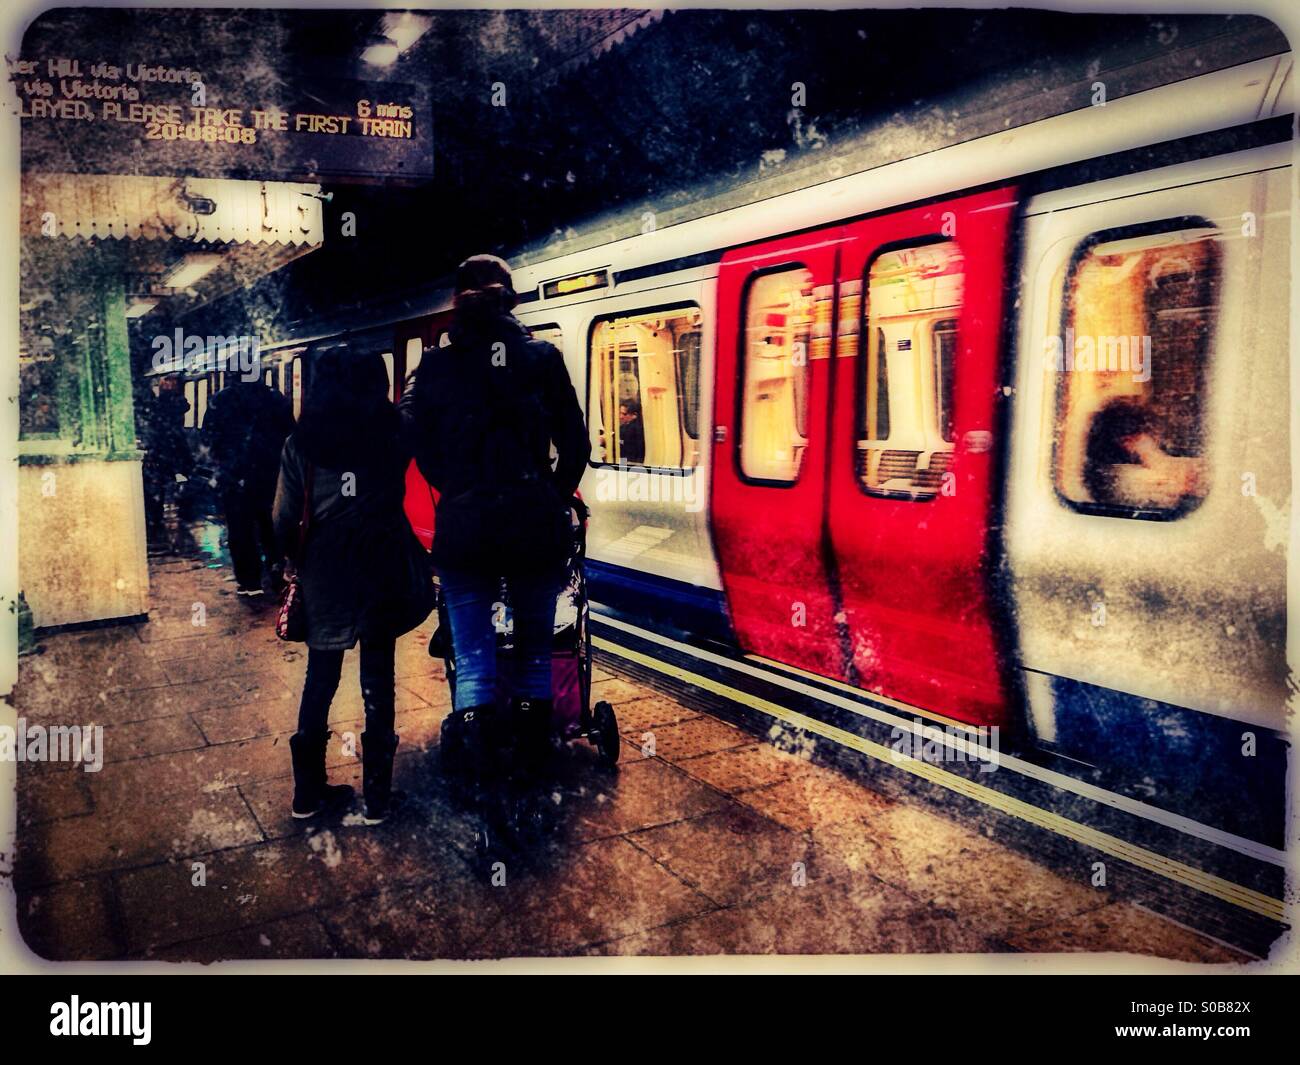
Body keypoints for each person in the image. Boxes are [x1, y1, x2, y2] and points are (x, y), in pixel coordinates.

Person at [400, 254, 589, 793]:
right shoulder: (542, 358)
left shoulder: (436, 365)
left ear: (457, 305)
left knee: (475, 657)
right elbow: (575, 443)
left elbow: (416, 440)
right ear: (511, 299)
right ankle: (532, 764)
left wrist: (454, 485)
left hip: (465, 528)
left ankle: (482, 777)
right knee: (533, 649)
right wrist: (549, 493)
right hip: (533, 525)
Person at [273, 346, 433, 824]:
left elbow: (283, 518)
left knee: (320, 675)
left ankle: (307, 795)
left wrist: (290, 560)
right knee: (378, 677)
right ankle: (378, 800)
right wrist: (423, 371)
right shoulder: (393, 433)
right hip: (381, 557)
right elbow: (410, 410)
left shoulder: (300, 443)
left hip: (325, 566)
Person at [202, 373, 294, 596]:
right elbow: (290, 433)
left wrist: (224, 461)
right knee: (270, 524)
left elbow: (208, 437)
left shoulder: (221, 400)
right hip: (269, 474)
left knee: (239, 529)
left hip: (235, 477)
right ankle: (276, 567)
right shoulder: (275, 398)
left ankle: (249, 580)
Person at [1082, 396, 1206, 510]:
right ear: (1129, 439)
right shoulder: (1123, 476)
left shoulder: (1103, 470)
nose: (1156, 436)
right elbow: (1176, 488)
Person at [139, 375, 193, 553]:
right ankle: (179, 508)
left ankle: (158, 518)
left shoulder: (158, 405)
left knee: (160, 486)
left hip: (163, 450)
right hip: (173, 449)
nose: (168, 385)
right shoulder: (176, 404)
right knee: (176, 480)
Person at [618, 398, 645, 465]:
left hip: (630, 463)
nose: (620, 416)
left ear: (634, 415)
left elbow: (623, 444)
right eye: (620, 413)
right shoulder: (626, 426)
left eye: (624, 414)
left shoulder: (635, 428)